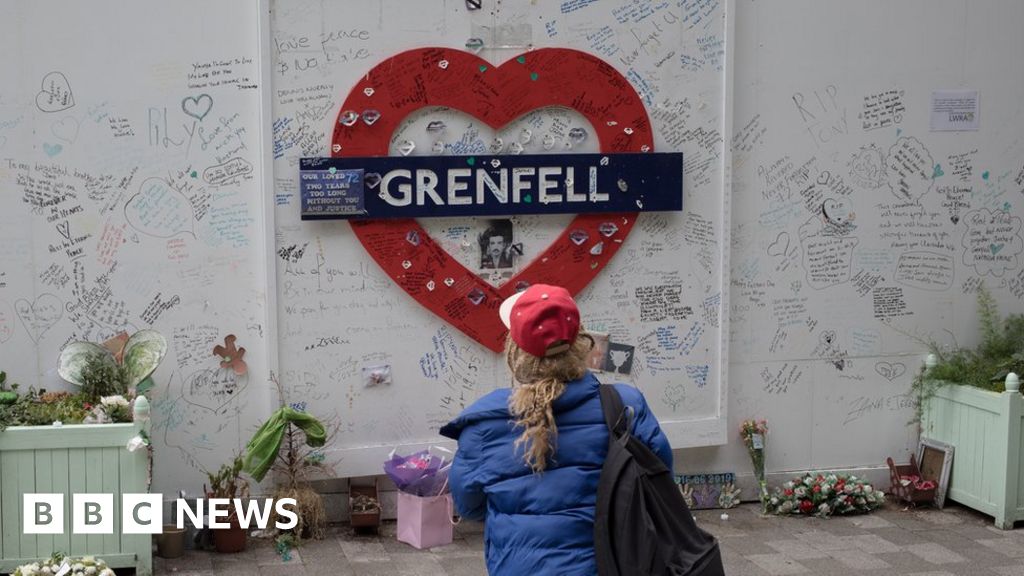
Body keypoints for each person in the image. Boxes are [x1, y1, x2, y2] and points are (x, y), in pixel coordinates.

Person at [440, 284, 671, 575]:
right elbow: (661, 480)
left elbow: (470, 506)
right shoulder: (626, 406)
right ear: (580, 342)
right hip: (614, 564)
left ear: (516, 351)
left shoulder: (483, 424)